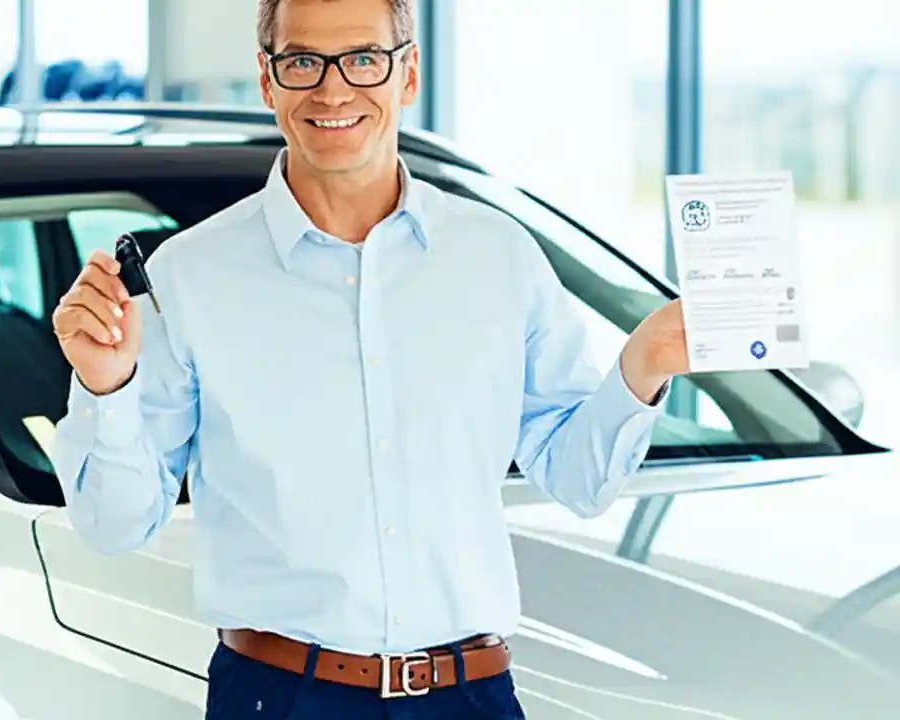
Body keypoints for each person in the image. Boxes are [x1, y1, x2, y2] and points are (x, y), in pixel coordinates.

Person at [49, 0, 688, 716]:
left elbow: (579, 480)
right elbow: (114, 526)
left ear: (407, 73)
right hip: (280, 698)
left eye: (362, 58)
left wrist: (645, 364)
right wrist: (107, 389)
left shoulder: (498, 258)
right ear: (268, 80)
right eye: (302, 62)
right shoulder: (189, 278)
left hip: (471, 697)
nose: (332, 89)